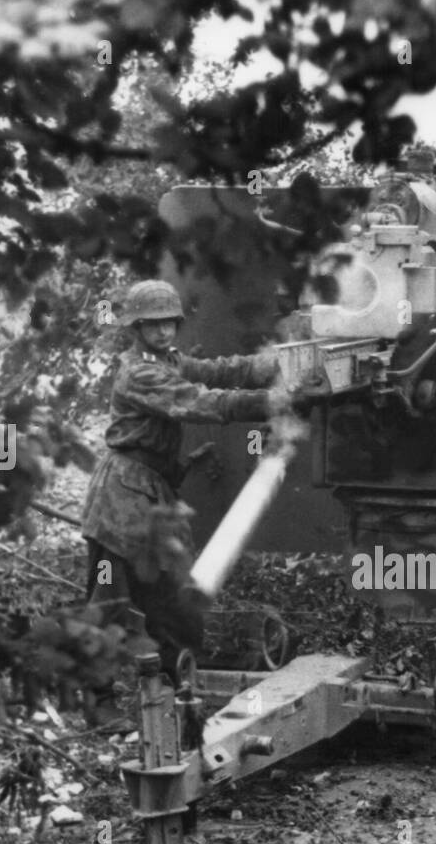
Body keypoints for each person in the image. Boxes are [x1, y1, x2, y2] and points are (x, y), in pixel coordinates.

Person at [80, 279, 287, 723]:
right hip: (119, 497)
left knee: (174, 599)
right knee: (109, 601)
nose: (163, 333)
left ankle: (176, 694)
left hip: (153, 492)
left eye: (168, 323)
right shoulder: (138, 372)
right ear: (136, 329)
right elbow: (199, 401)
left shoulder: (170, 361)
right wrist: (274, 402)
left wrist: (276, 364)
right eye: (152, 326)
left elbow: (218, 372)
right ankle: (97, 704)